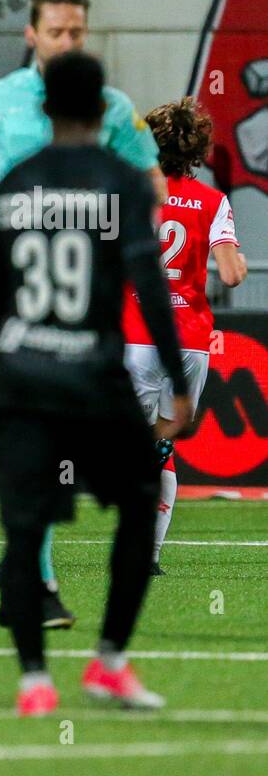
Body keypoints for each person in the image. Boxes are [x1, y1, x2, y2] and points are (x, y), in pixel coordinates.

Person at [0, 51, 193, 716]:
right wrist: (179, 381)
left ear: (44, 108)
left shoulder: (10, 186)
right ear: (104, 111)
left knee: (23, 528)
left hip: (25, 381)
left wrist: (7, 361)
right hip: (97, 378)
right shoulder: (122, 181)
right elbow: (151, 288)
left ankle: (34, 681)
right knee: (139, 500)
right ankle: (110, 661)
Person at [0, 0, 163, 625]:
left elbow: (150, 175)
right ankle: (37, 581)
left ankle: (28, 567)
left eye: (78, 32)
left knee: (96, 459)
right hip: (24, 295)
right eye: (58, 31)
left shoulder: (114, 109)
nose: (69, 41)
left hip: (88, 299)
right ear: (31, 35)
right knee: (38, 444)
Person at [122, 98, 246, 574]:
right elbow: (232, 275)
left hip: (136, 333)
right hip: (190, 340)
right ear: (195, 150)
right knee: (163, 445)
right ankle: (148, 555)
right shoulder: (213, 201)